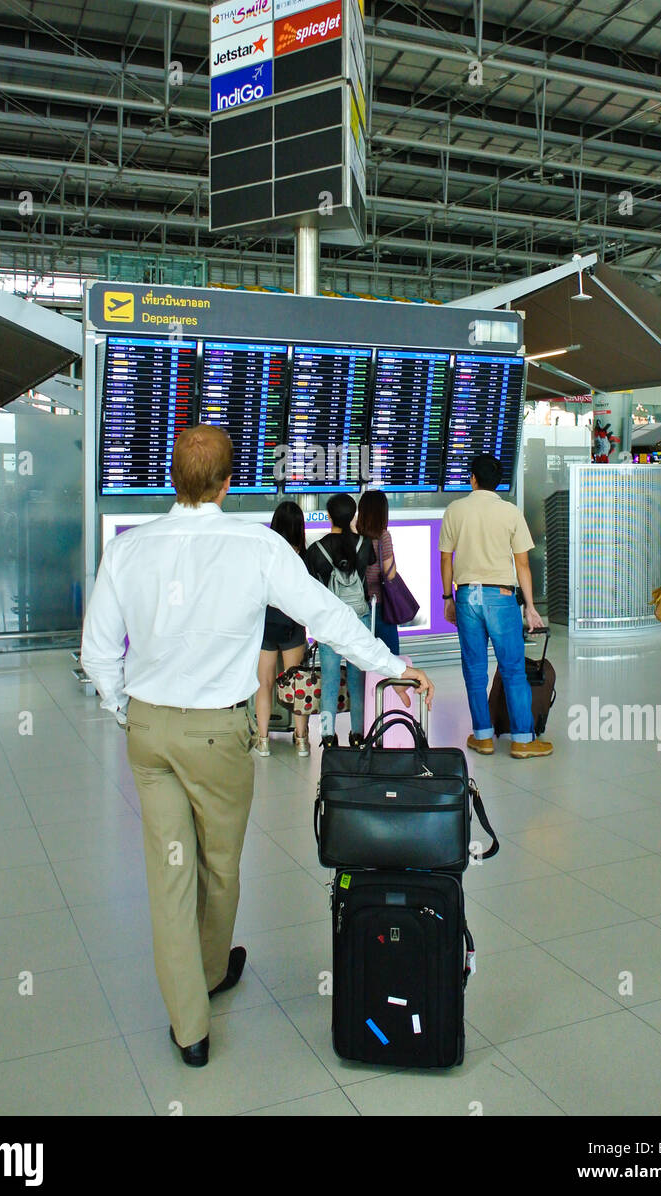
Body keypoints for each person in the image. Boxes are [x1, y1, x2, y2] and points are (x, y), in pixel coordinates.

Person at [81, 426, 433, 1069]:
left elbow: (97, 654)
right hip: (218, 733)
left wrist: (125, 706)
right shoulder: (257, 545)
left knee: (169, 875)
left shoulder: (129, 551)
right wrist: (391, 666)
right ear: (224, 482)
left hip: (151, 733)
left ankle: (190, 1026)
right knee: (219, 864)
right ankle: (213, 971)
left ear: (173, 479)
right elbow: (326, 615)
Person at [439, 452, 552, 760]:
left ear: (472, 478)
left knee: (474, 670)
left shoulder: (455, 510)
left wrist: (448, 599)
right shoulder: (510, 512)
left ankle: (484, 737)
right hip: (501, 597)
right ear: (498, 482)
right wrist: (529, 606)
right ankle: (522, 740)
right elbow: (523, 563)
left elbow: (446, 558)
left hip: (466, 597)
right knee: (514, 669)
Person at [305, 492, 374, 747]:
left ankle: (327, 735)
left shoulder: (316, 550)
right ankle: (358, 735)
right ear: (352, 516)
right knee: (357, 680)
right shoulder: (364, 544)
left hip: (329, 622)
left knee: (330, 680)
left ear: (329, 516)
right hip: (359, 618)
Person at [254, 500, 310, 759]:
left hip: (265, 624)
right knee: (297, 684)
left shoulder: (265, 553)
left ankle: (263, 740)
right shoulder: (302, 556)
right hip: (293, 626)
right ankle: (301, 742)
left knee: (264, 684)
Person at [357, 487, 401, 656]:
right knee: (389, 657)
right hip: (381, 605)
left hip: (358, 604)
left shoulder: (355, 536)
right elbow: (390, 574)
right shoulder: (383, 536)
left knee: (362, 657)